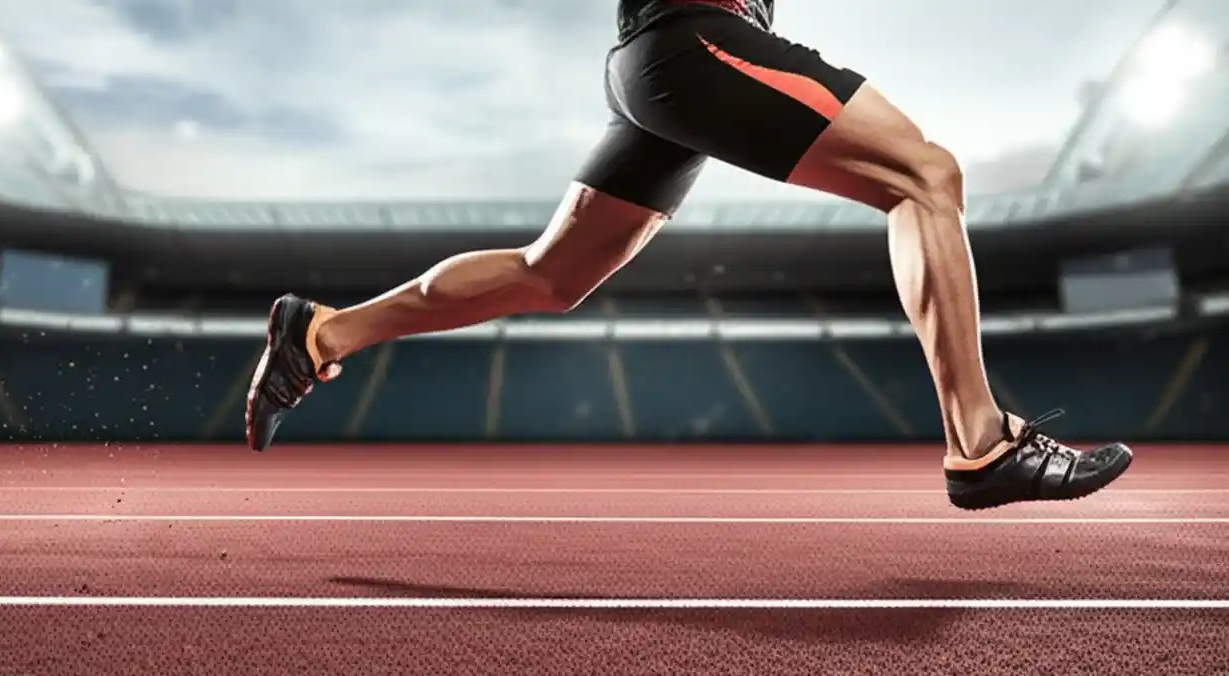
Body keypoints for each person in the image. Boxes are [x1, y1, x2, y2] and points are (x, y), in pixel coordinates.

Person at [246, 0, 1133, 510]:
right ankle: (980, 442)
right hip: (697, 39)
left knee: (552, 275)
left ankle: (322, 333)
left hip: (661, 60)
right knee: (925, 177)